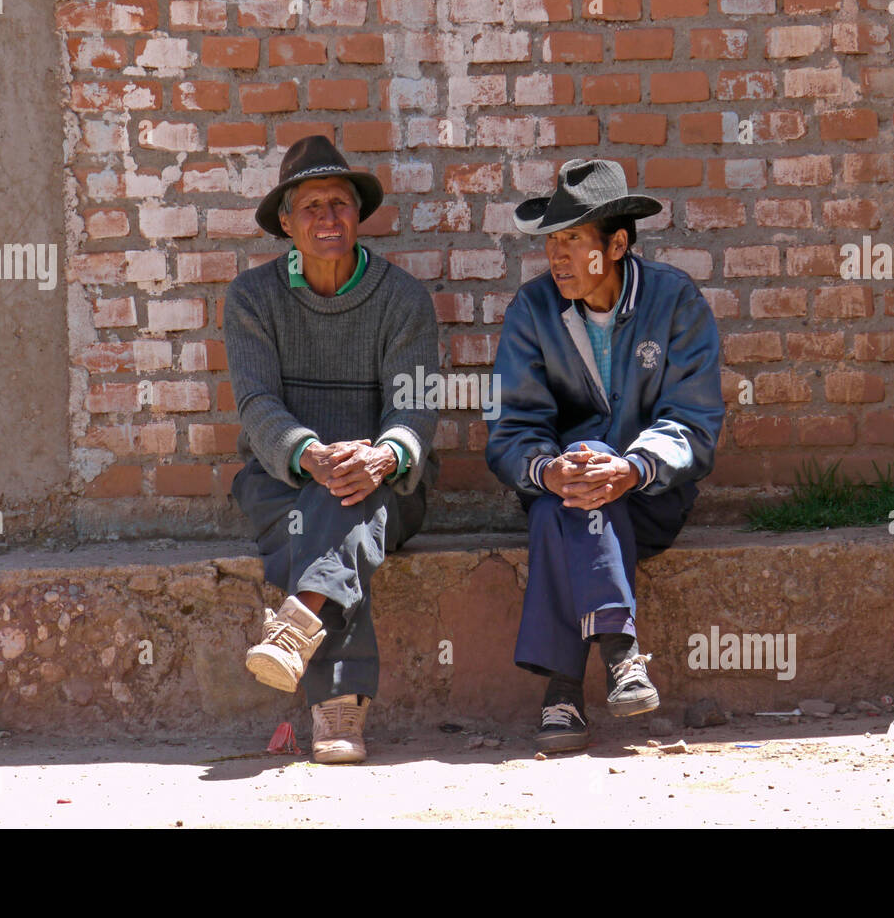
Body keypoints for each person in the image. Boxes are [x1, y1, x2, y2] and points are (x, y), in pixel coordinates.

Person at [485, 158, 725, 753]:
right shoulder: (534, 310)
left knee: (575, 485)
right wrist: (549, 468)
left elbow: (694, 422)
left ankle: (564, 689)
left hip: (651, 497)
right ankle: (621, 658)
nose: (557, 257)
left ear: (617, 244)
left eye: (573, 240)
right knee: (562, 494)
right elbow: (512, 429)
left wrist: (632, 468)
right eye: (552, 242)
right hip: (562, 495)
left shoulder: (675, 302)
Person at [224, 135, 439, 764]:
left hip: (387, 485)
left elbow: (416, 409)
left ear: (359, 215)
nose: (328, 217)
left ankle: (298, 625)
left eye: (340, 203)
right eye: (311, 206)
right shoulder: (252, 299)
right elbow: (257, 405)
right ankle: (340, 707)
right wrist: (311, 454)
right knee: (331, 502)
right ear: (285, 223)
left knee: (345, 500)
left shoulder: (402, 301)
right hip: (281, 481)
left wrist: (381, 456)